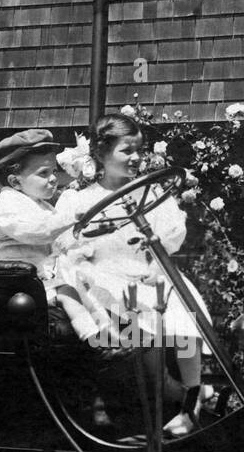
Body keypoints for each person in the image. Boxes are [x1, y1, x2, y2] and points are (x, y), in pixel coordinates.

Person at [52, 113, 213, 435]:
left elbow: (170, 235)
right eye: (127, 150)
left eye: (140, 149)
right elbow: (63, 245)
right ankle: (133, 410)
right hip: (106, 283)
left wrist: (155, 262)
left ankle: (193, 400)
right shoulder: (79, 199)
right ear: (100, 153)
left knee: (182, 317)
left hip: (148, 273)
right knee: (135, 336)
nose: (136, 157)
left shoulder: (148, 193)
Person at [0, 129, 98, 339]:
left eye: (53, 171)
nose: (53, 179)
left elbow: (58, 239)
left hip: (39, 276)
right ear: (15, 182)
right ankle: (95, 339)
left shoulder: (40, 204)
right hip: (13, 283)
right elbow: (39, 232)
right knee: (68, 294)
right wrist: (72, 217)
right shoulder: (6, 206)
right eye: (43, 173)